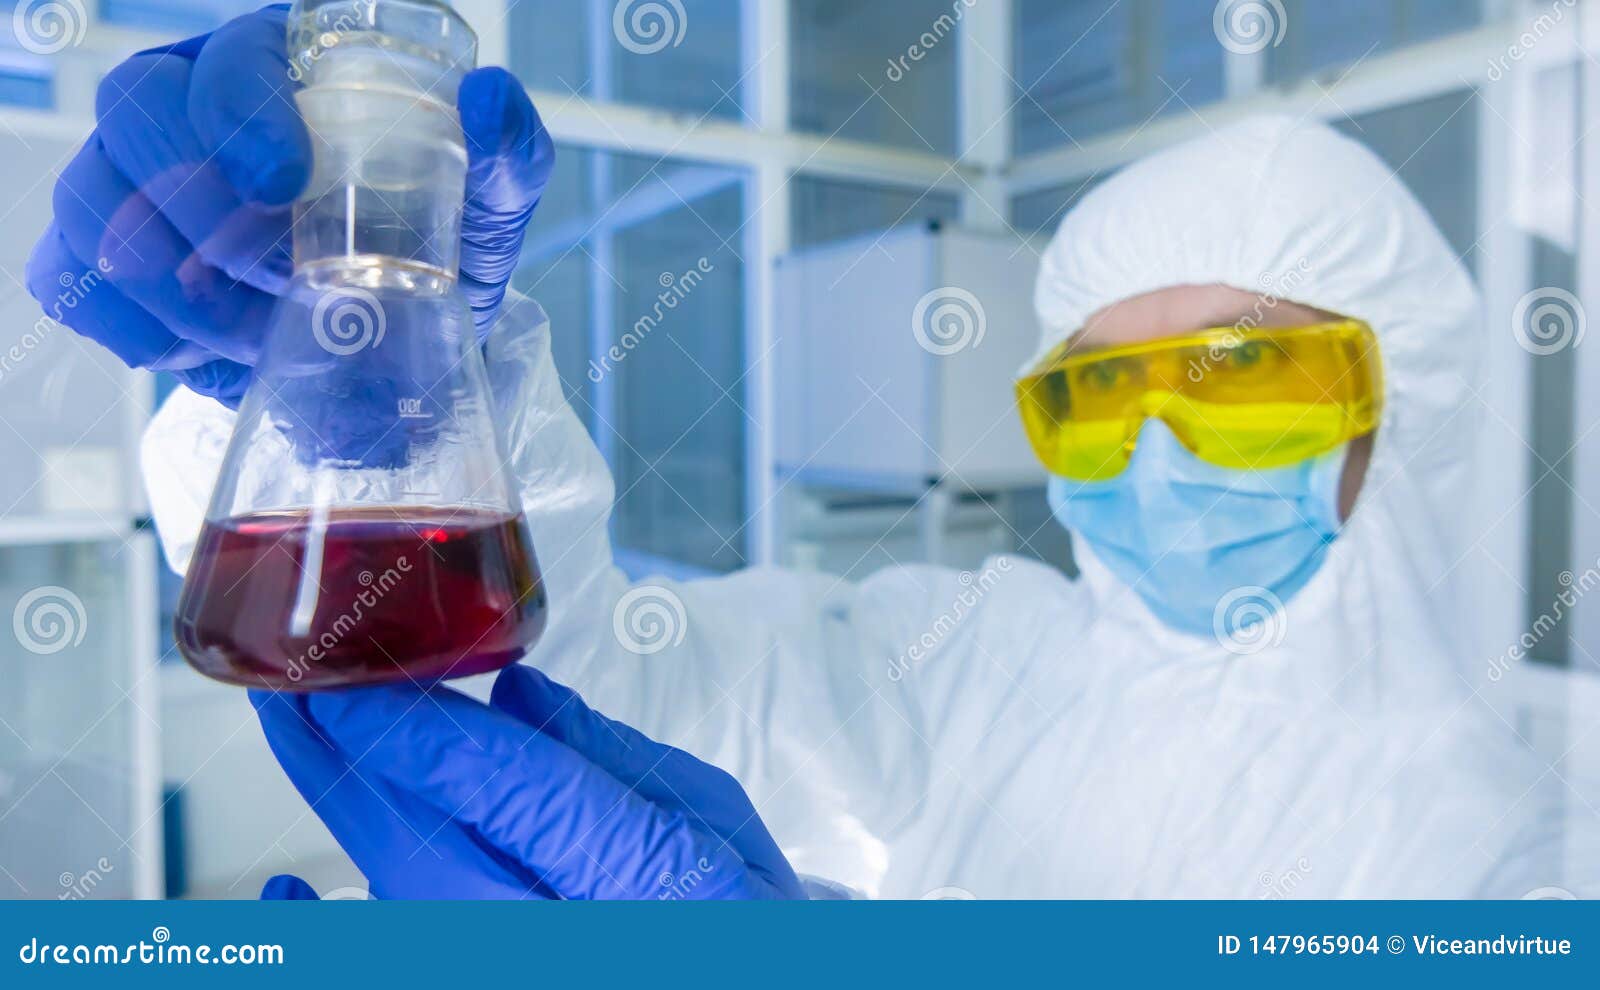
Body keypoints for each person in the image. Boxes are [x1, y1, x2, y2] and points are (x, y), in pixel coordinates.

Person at [33, 6, 1571, 899]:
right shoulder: (984, 657)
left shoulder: (1537, 858)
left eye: (1241, 376)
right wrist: (356, 398)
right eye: (1099, 394)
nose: (1159, 447)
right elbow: (631, 692)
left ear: (1404, 403)